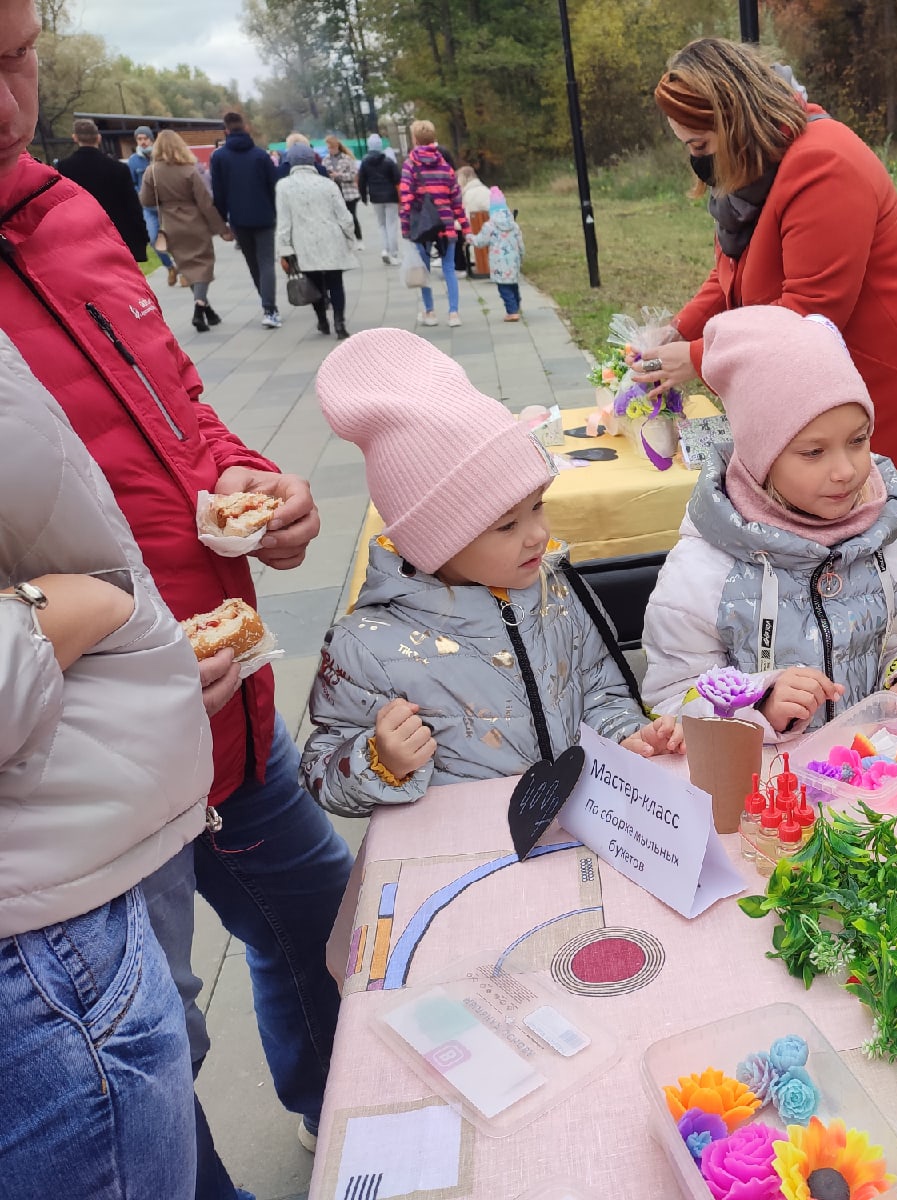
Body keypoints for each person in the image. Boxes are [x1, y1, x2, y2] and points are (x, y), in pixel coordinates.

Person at [0, 3, 354, 1189]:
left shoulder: (67, 215)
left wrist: (248, 479)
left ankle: (333, 1111)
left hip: (231, 711)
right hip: (75, 780)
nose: (11, 104)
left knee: (323, 924)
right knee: (146, 1056)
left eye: (19, 57)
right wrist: (109, 647)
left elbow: (176, 417)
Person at [0, 328, 213, 1196]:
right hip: (41, 927)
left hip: (77, 832)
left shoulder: (71, 222)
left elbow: (167, 401)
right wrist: (68, 608)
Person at [633, 38, 897, 561]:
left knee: (890, 520)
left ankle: (889, 616)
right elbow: (728, 274)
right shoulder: (753, 172)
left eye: (700, 147)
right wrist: (677, 331)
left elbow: (812, 313)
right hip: (834, 372)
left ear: (734, 124)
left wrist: (699, 359)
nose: (695, 162)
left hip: (887, 366)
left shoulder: (824, 165)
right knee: (844, 507)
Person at [304, 329, 680, 814]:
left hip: (577, 825)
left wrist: (627, 737)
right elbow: (319, 769)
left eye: (537, 506)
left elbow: (599, 689)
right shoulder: (366, 647)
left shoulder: (558, 591)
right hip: (465, 848)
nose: (537, 536)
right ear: (434, 542)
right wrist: (379, 762)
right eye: (506, 525)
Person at [642, 306, 897, 741]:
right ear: (762, 457)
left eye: (857, 441)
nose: (845, 471)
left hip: (875, 781)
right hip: (767, 793)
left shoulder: (881, 536)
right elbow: (672, 698)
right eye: (813, 452)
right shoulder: (705, 569)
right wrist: (758, 704)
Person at [139, 129, 232, 334]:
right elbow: (205, 202)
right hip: (194, 222)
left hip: (171, 225)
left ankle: (208, 311)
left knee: (188, 267)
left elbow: (145, 200)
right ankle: (200, 306)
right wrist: (221, 229)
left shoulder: (151, 172)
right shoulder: (189, 170)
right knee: (203, 264)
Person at [276, 141, 357, 338]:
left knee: (313, 283)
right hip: (331, 238)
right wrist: (349, 236)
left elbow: (284, 221)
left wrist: (284, 250)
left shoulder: (284, 186)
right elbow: (344, 215)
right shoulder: (327, 183)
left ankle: (322, 320)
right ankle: (340, 323)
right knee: (336, 283)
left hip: (304, 242)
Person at [210, 110, 282, 329]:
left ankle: (268, 305)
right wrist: (275, 212)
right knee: (267, 262)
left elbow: (218, 192)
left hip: (239, 219)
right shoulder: (260, 156)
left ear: (226, 130)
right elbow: (274, 186)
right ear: (246, 128)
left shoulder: (219, 157)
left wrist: (222, 221)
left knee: (253, 264)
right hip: (265, 216)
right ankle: (270, 309)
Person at [399, 118, 466, 327]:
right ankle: (454, 313)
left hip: (423, 224)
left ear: (415, 139)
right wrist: (465, 226)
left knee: (424, 269)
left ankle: (430, 312)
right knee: (449, 267)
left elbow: (406, 198)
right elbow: (457, 199)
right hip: (446, 223)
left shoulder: (410, 165)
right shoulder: (445, 166)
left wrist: (405, 228)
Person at [54, 116, 147, 262]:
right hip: (118, 234)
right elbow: (132, 206)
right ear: (99, 138)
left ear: (75, 138)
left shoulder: (64, 169)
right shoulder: (119, 169)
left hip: (83, 236)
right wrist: (142, 234)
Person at [126, 123, 178, 286]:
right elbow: (132, 184)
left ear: (151, 139)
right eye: (139, 139)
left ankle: (183, 271)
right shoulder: (133, 161)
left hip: (166, 206)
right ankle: (170, 267)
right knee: (154, 239)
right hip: (148, 208)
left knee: (175, 239)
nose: (142, 142)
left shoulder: (161, 157)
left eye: (145, 138)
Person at [471, 186, 524, 321]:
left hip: (498, 263)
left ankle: (512, 311)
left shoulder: (490, 226)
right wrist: (521, 255)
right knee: (513, 284)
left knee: (503, 288)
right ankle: (516, 305)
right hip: (514, 261)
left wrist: (470, 238)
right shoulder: (514, 225)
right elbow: (520, 243)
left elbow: (480, 241)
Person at [358, 132, 401, 263]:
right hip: (391, 196)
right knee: (391, 224)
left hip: (376, 196)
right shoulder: (389, 162)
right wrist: (401, 197)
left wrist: (364, 197)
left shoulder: (365, 163)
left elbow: (362, 181)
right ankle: (393, 253)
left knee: (381, 224)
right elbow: (397, 180)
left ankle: (384, 249)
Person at [323, 134, 363, 249]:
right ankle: (346, 240)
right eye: (328, 148)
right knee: (338, 218)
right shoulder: (325, 160)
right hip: (334, 191)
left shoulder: (347, 158)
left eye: (330, 147)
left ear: (335, 146)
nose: (329, 150)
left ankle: (359, 239)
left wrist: (339, 175)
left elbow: (353, 174)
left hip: (348, 191)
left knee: (351, 216)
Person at [457, 163, 490, 276]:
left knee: (453, 231)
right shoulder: (484, 189)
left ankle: (461, 266)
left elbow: (467, 221)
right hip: (490, 228)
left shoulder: (470, 194)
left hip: (481, 231)